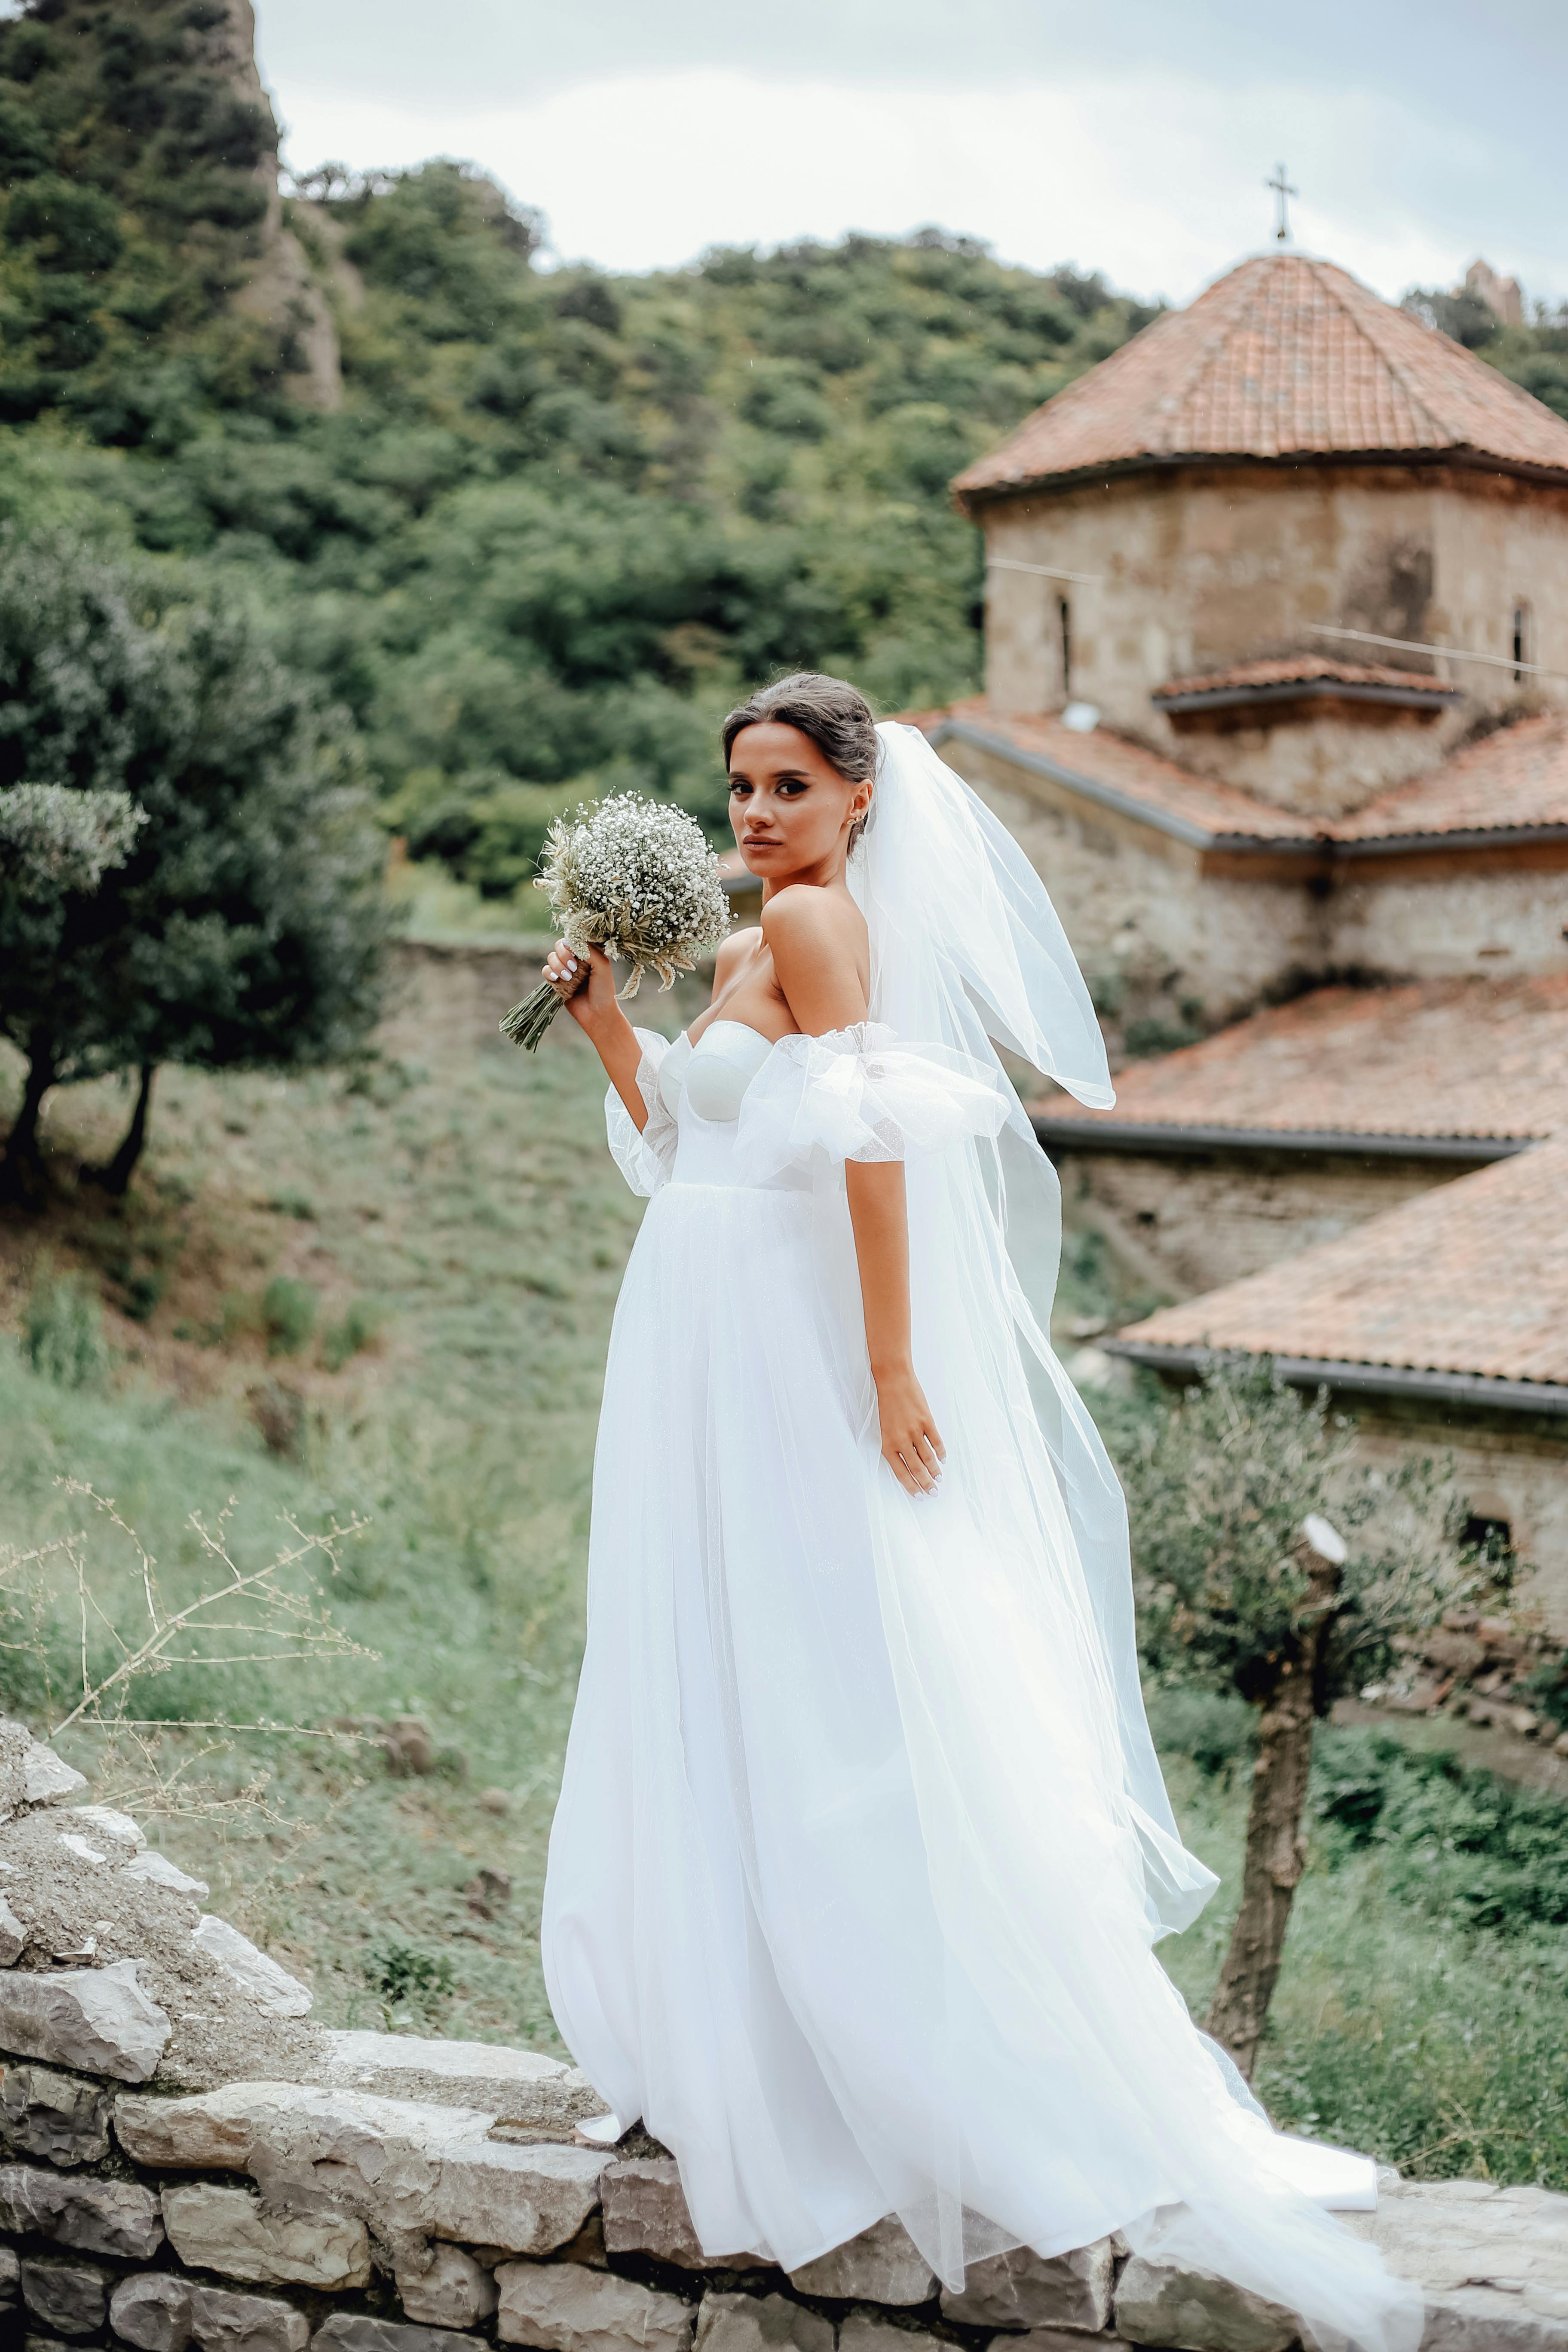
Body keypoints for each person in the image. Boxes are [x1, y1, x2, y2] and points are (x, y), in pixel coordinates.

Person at [538, 673, 1420, 2352]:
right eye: (738, 784)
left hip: (783, 1360)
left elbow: (875, 1159)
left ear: (860, 798)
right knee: (712, 1658)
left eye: (788, 786)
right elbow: (693, 1145)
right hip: (694, 1345)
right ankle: (743, 2032)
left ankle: (873, 2048)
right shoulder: (753, 940)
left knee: (821, 1665)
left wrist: (890, 1373)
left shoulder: (824, 939)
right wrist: (599, 1021)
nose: (755, 812)